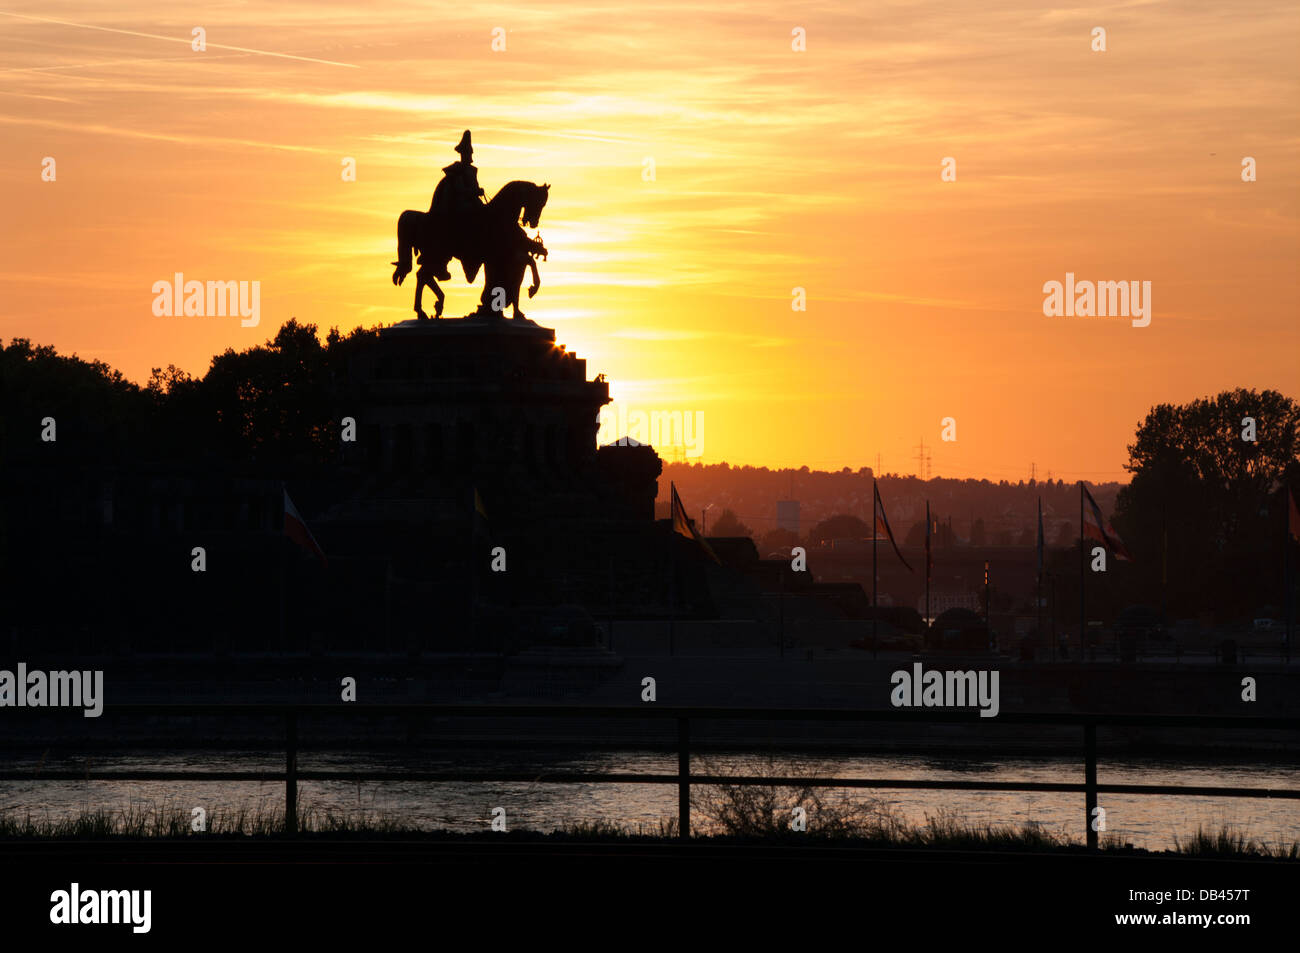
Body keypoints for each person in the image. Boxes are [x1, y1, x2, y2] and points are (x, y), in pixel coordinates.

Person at [427, 130, 486, 281]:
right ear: (462, 154)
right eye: (466, 153)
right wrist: (475, 192)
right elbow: (460, 191)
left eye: (469, 153)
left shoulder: (472, 171)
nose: (468, 156)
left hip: (472, 203)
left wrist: (477, 192)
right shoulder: (457, 172)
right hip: (460, 206)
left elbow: (473, 188)